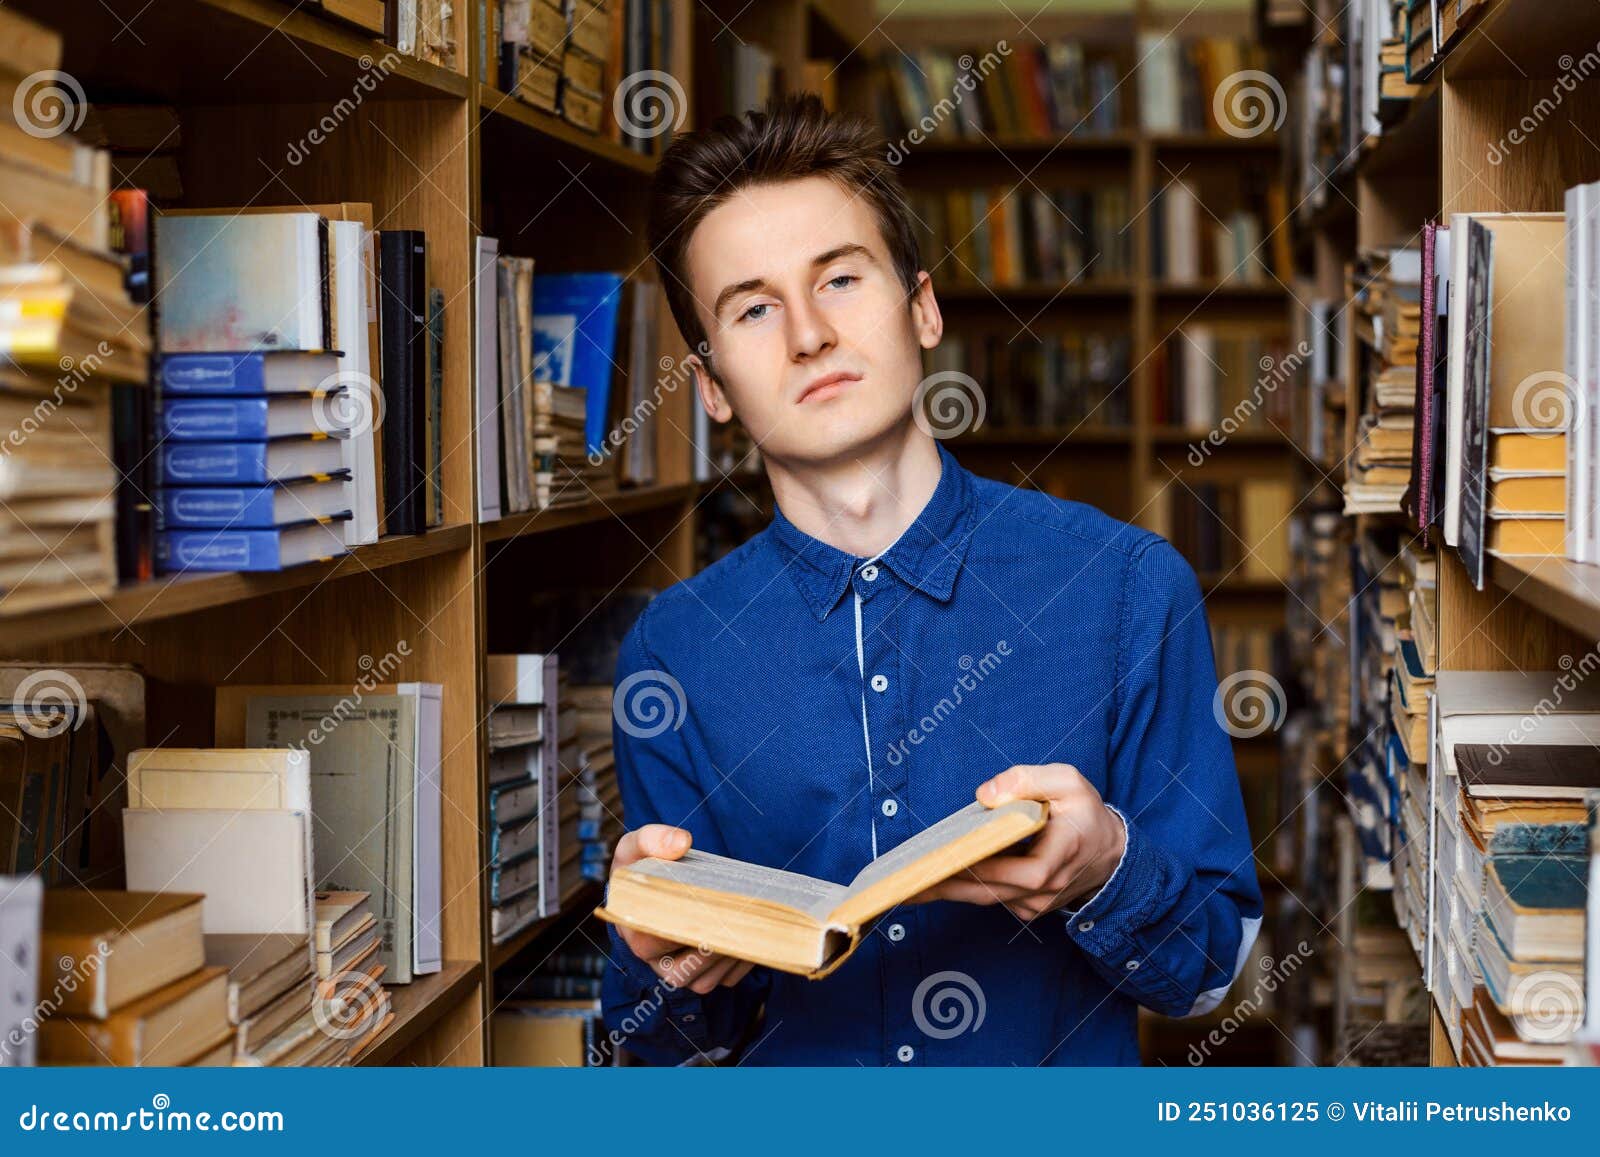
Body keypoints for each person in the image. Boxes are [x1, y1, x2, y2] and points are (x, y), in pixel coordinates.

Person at [599, 95, 1262, 1065]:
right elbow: (665, 1051)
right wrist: (651, 957)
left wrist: (1107, 864)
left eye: (838, 279)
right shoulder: (670, 652)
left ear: (922, 306)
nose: (808, 335)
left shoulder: (1127, 589)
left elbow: (1215, 973)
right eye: (752, 307)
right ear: (710, 386)